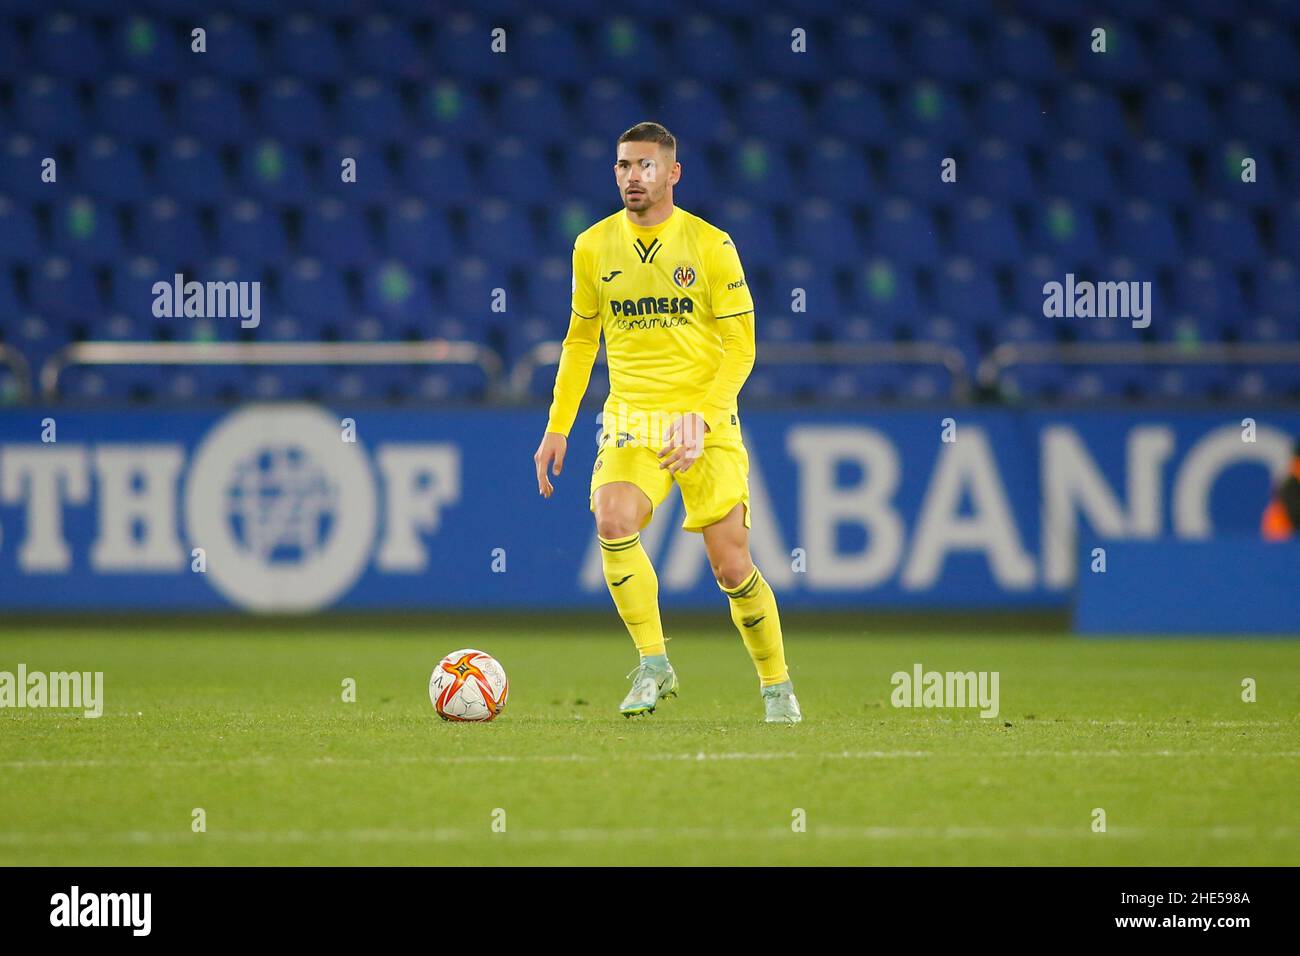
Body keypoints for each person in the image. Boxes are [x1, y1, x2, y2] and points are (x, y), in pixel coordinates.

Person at [533, 121, 800, 723]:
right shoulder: (592, 246)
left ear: (673, 173)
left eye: (646, 165)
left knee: (731, 567)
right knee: (612, 516)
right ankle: (654, 666)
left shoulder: (711, 246)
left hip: (706, 421)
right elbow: (580, 341)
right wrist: (558, 425)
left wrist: (702, 419)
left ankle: (776, 687)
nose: (634, 176)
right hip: (631, 418)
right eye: (624, 166)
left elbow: (742, 347)